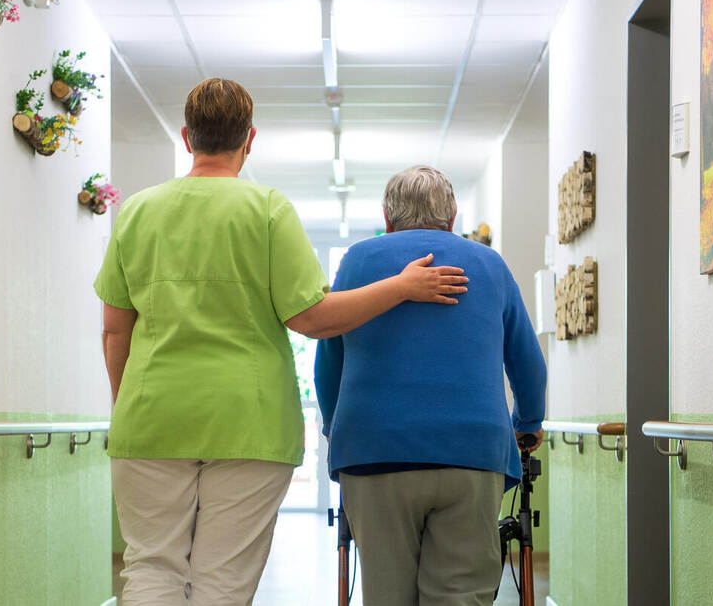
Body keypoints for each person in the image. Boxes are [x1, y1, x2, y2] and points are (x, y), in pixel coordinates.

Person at [94, 79, 469, 606]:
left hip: (151, 415)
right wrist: (402, 286)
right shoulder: (267, 209)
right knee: (222, 580)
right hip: (249, 420)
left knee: (151, 567)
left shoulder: (135, 211)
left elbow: (116, 329)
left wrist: (128, 404)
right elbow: (313, 319)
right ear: (250, 139)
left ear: (186, 137)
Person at [315, 165, 547, 606]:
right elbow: (528, 363)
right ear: (453, 216)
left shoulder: (359, 261)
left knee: (387, 595)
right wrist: (528, 423)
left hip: (374, 452)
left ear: (387, 217)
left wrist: (334, 426)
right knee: (460, 596)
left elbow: (329, 361)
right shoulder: (489, 264)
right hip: (472, 453)